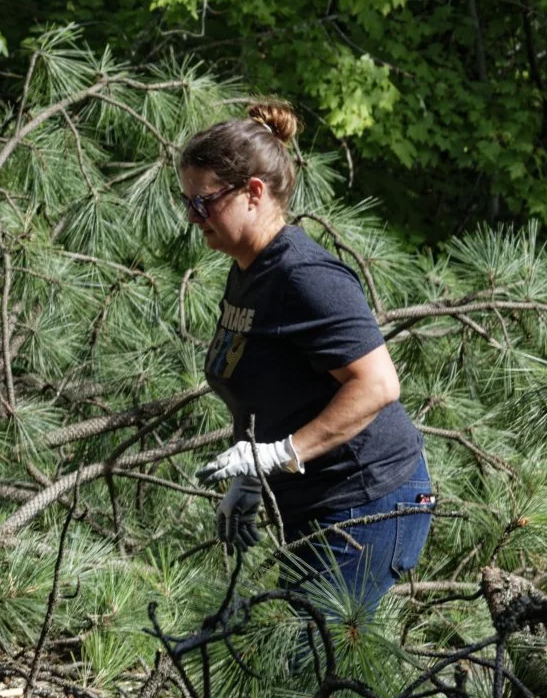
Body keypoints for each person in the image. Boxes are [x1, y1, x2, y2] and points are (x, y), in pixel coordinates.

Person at [181, 101, 433, 615]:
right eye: (186, 201)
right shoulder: (248, 270)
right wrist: (252, 477)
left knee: (312, 660)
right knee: (292, 656)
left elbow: (378, 385)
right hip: (317, 504)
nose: (192, 217)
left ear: (253, 193)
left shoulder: (304, 275)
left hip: (367, 500)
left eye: (203, 202)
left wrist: (278, 455)